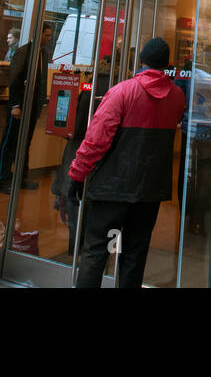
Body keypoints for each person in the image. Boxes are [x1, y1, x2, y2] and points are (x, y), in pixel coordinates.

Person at [67, 37, 185, 288]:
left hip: (112, 187)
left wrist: (77, 176)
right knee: (134, 255)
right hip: (150, 190)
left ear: (141, 60)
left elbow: (95, 141)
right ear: (167, 64)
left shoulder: (123, 91)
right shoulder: (177, 97)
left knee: (95, 252)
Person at [0, 30, 50, 193]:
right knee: (10, 142)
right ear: (38, 34)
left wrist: (41, 103)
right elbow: (14, 79)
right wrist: (15, 105)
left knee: (25, 142)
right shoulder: (23, 52)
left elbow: (42, 80)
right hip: (19, 104)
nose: (49, 38)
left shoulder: (44, 54)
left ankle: (20, 178)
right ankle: (3, 180)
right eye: (47, 35)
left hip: (33, 105)